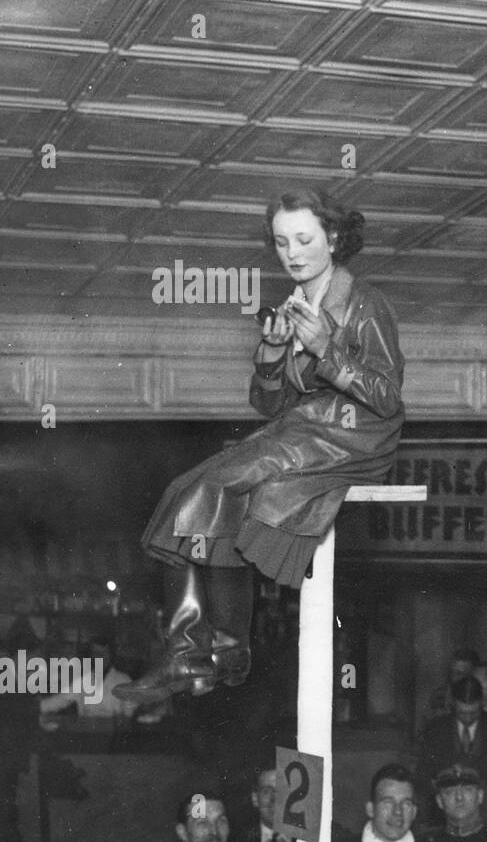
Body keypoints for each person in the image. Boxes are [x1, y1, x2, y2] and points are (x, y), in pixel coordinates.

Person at [117, 189, 405, 703]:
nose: (291, 253)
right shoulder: (298, 305)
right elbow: (272, 406)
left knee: (203, 491)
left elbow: (386, 399)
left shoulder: (365, 303)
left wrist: (325, 349)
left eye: (303, 239)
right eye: (280, 242)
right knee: (196, 495)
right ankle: (227, 650)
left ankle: (188, 655)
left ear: (333, 239)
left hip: (350, 438)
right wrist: (272, 354)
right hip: (305, 431)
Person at [416, 675, 487, 814]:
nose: (467, 718)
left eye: (473, 713)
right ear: (454, 704)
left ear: (481, 703)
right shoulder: (436, 729)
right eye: (462, 713)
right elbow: (423, 773)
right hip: (446, 809)